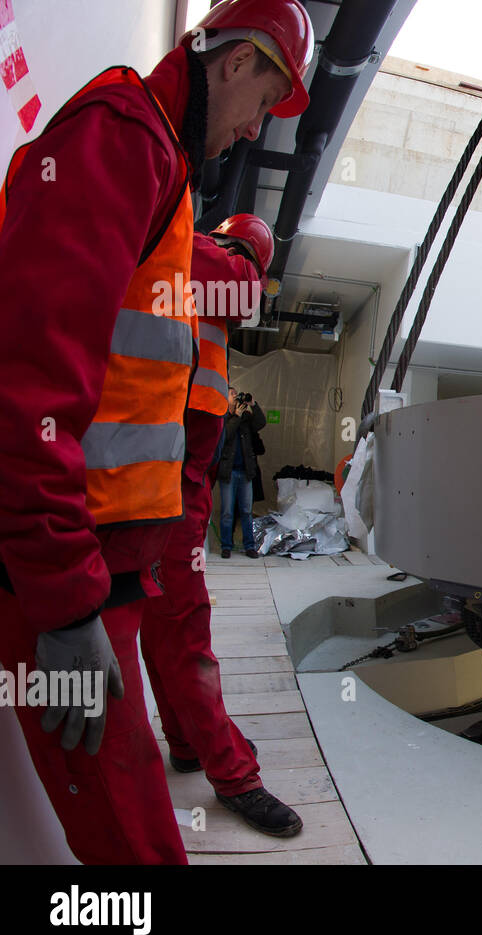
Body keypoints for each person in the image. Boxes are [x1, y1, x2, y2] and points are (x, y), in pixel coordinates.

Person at [0, 0, 312, 864]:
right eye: (263, 102)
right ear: (238, 61)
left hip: (111, 554)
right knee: (132, 841)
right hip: (75, 563)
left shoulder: (158, 166)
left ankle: (200, 751)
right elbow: (29, 375)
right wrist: (64, 598)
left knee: (129, 819)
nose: (253, 131)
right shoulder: (122, 137)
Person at [138, 215, 301, 837]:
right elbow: (233, 280)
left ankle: (184, 740)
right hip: (162, 478)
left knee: (161, 618)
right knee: (184, 626)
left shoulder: (197, 281)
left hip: (179, 475)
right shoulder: (196, 257)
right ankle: (233, 775)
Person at [218, 388, 267, 558]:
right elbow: (224, 436)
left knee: (246, 511)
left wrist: (253, 404)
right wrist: (236, 416)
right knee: (227, 512)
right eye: (232, 393)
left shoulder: (246, 418)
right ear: (225, 399)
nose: (236, 395)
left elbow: (261, 423)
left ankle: (249, 546)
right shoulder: (222, 417)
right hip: (228, 472)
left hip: (245, 471)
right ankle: (226, 545)